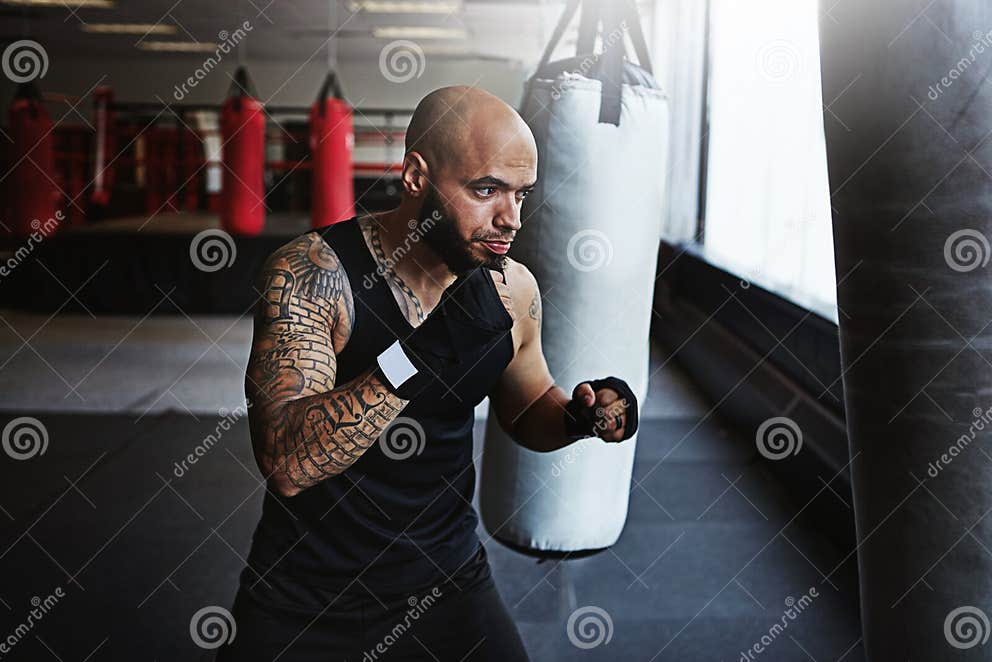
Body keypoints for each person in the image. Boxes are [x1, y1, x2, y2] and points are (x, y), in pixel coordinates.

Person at [217, 85, 639, 661]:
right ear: (416, 176)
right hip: (306, 596)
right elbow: (287, 462)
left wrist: (577, 417)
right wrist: (419, 353)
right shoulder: (313, 275)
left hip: (448, 580)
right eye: (486, 189)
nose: (509, 219)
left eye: (521, 194)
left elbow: (527, 407)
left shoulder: (512, 290)